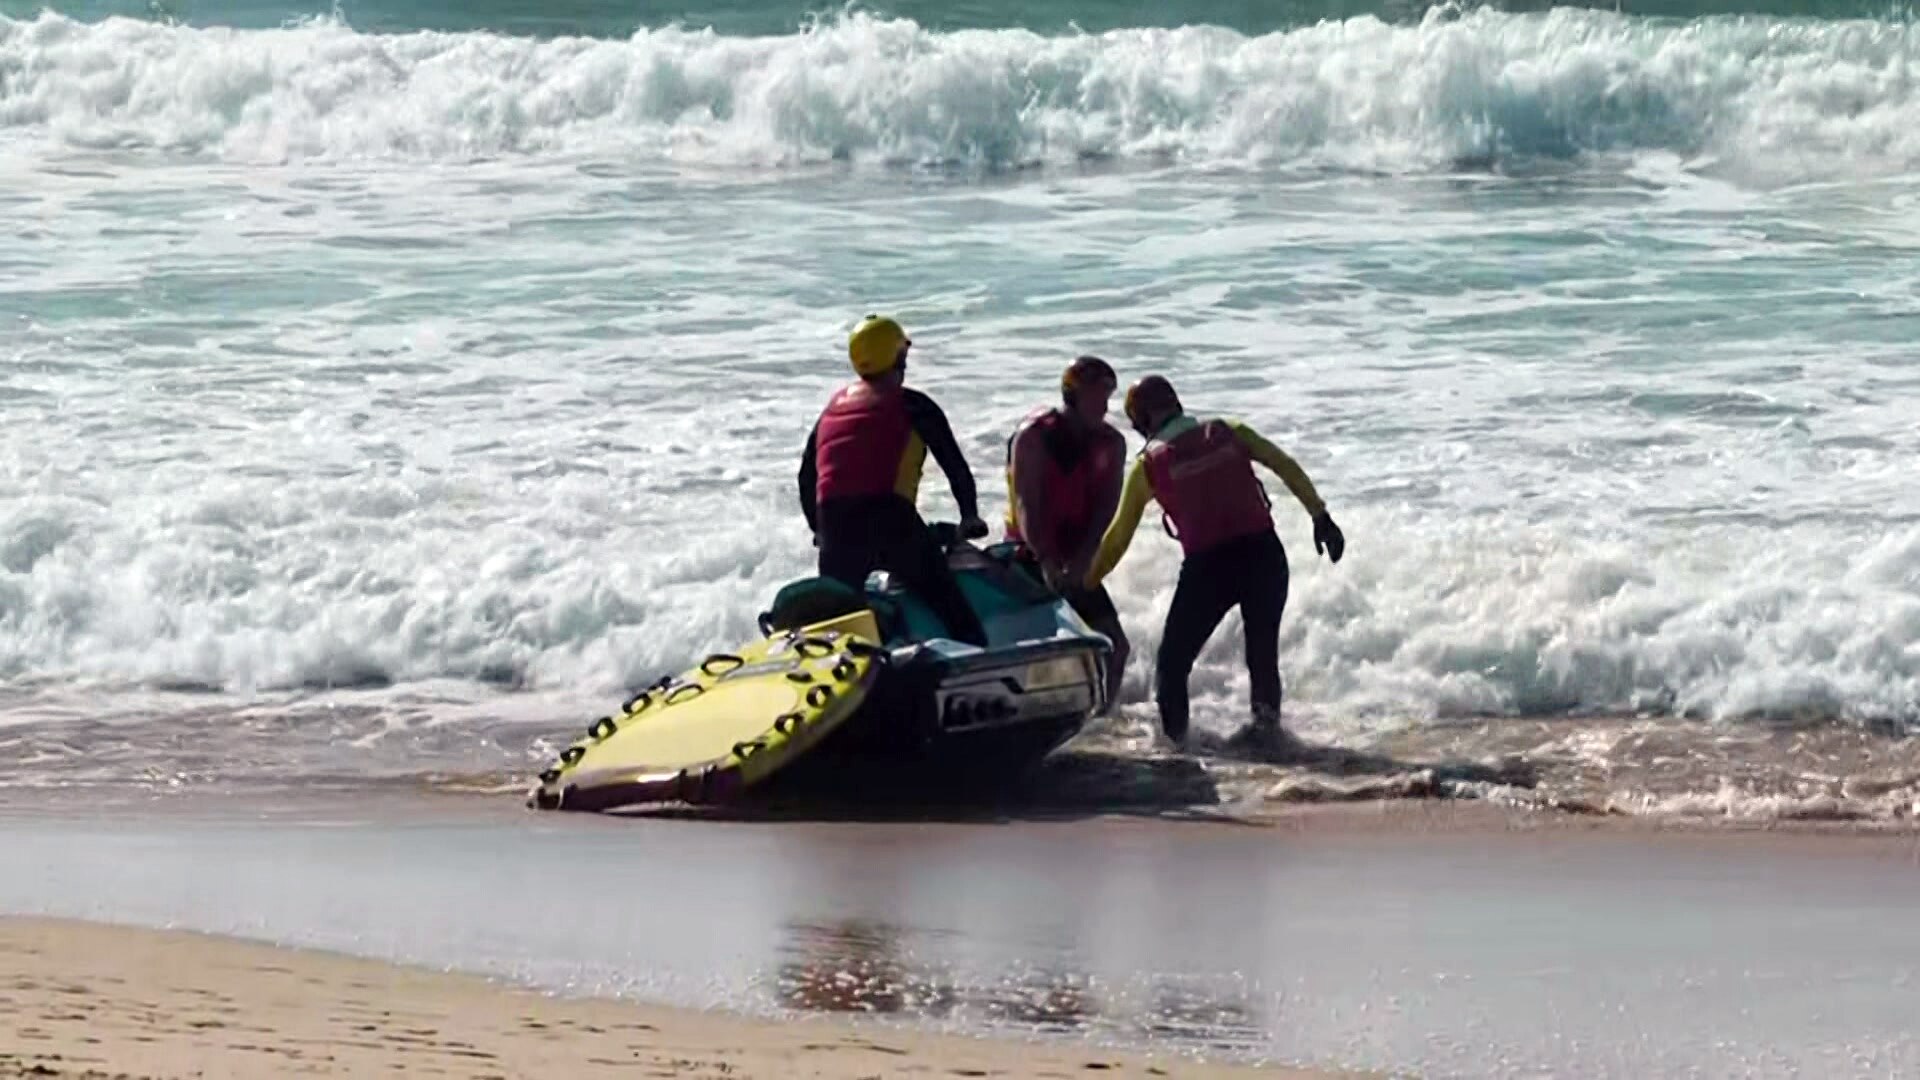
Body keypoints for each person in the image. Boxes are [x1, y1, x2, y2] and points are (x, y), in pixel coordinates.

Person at [1081, 375, 1345, 747]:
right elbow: (1284, 464)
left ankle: (1176, 750)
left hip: (1209, 570)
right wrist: (1320, 516)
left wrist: (1087, 583)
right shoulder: (1229, 431)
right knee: (1262, 657)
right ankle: (1269, 738)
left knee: (1172, 666)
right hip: (1264, 555)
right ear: (1177, 404)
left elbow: (1117, 538)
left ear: (1144, 421)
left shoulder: (1149, 466)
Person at [797, 315, 991, 647]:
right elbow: (954, 466)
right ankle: (976, 659)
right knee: (954, 612)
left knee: (839, 634)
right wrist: (969, 516)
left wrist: (820, 529)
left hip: (836, 528)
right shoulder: (913, 405)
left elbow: (807, 476)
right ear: (898, 358)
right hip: (892, 523)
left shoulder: (830, 412)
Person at [1004, 355, 1130, 712]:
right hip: (1027, 552)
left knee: (1115, 646)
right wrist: (1045, 559)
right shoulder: (1034, 436)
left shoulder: (1112, 442)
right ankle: (1027, 714)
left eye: (1108, 397)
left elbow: (1106, 508)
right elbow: (1026, 504)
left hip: (1077, 555)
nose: (1104, 406)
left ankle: (1100, 719)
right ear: (1072, 395)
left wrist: (1084, 558)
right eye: (1096, 396)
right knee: (1036, 650)